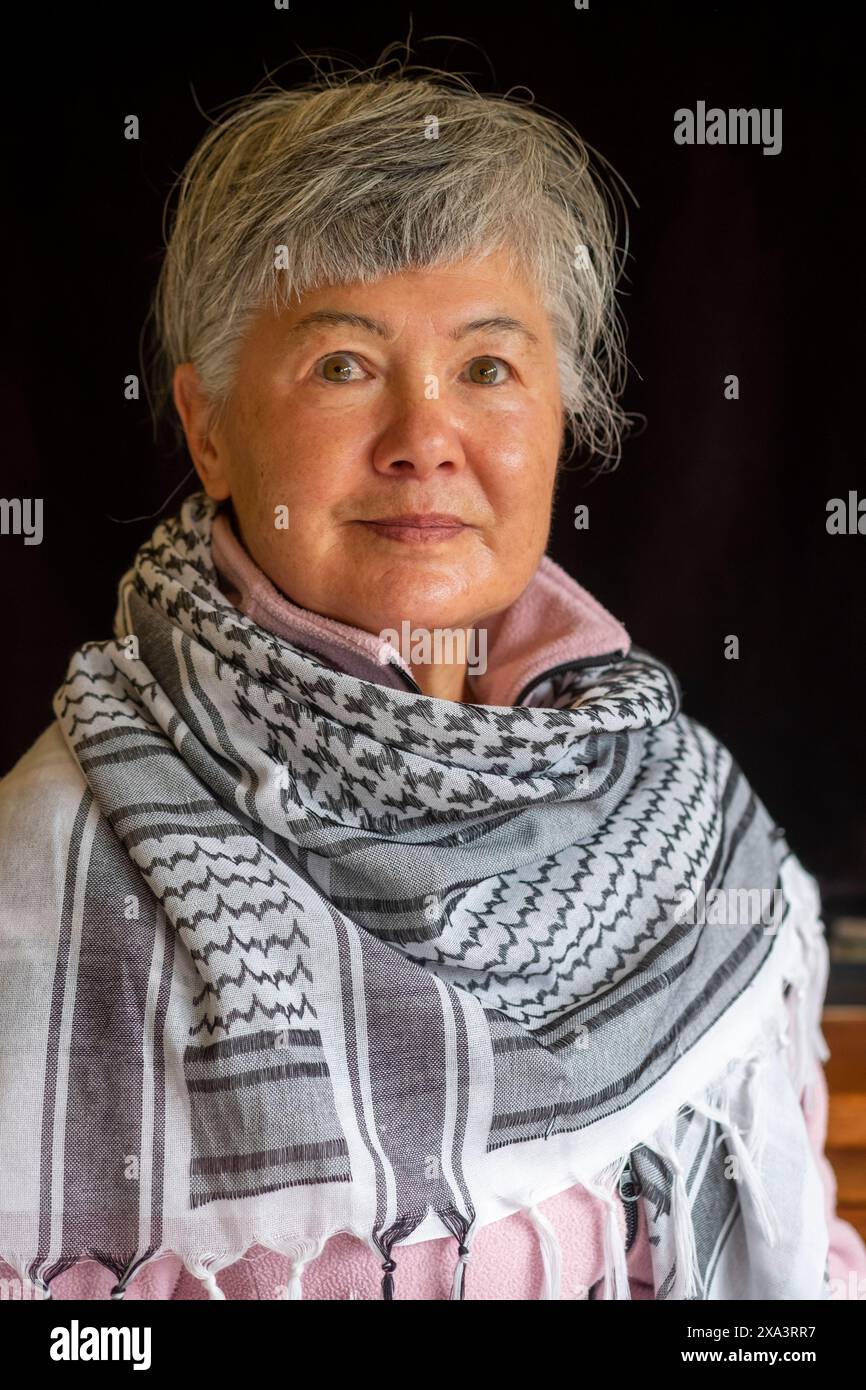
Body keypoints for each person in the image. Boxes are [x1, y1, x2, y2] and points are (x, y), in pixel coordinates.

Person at [1, 61, 864, 1301]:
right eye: (345, 363)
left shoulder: (683, 812)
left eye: (487, 367)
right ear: (208, 429)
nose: (423, 435)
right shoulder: (50, 875)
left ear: (561, 417)